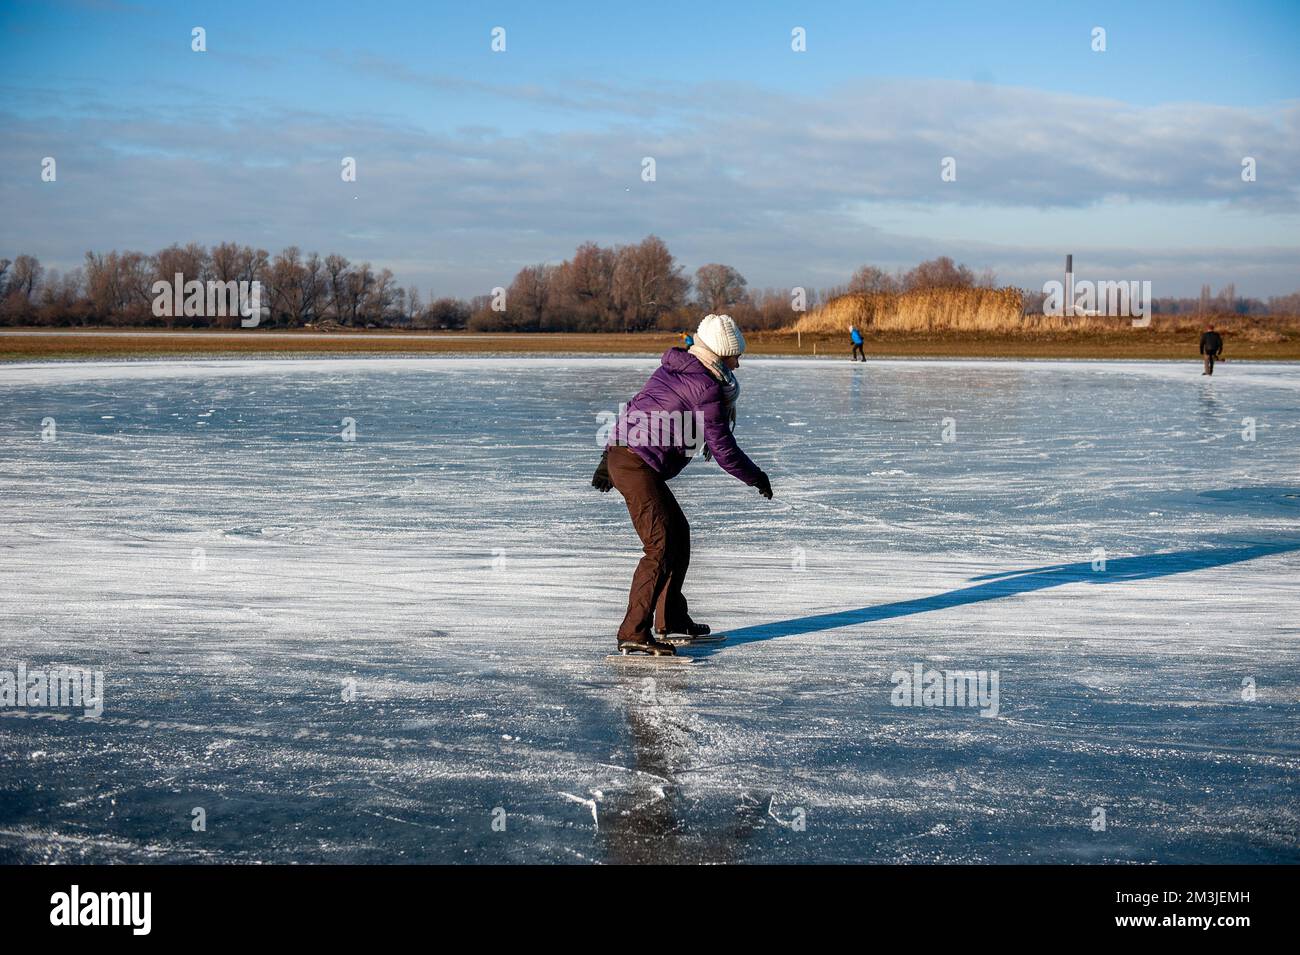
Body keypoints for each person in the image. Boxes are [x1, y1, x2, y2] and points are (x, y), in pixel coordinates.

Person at [592, 314, 773, 656]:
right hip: (635, 463)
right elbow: (723, 449)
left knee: (679, 535)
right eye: (735, 355)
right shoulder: (706, 386)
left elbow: (634, 407)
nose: (739, 362)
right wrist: (756, 476)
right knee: (660, 546)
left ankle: (672, 620)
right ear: (718, 354)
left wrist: (608, 455)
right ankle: (634, 630)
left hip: (630, 458)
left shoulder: (677, 369)